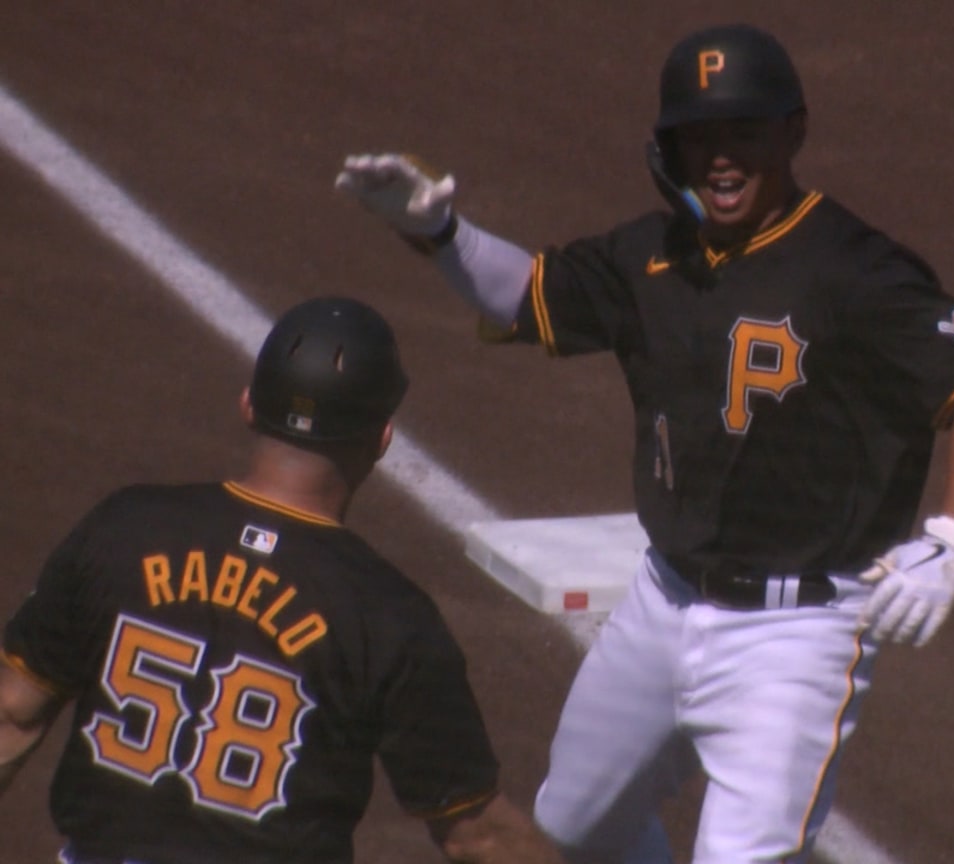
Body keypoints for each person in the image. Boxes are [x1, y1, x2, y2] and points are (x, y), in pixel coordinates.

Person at [334, 22, 954, 864]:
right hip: (662, 604)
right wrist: (438, 232)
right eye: (699, 137)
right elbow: (529, 295)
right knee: (575, 832)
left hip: (797, 633)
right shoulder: (652, 256)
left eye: (742, 133)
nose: (719, 158)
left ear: (792, 133)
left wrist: (951, 540)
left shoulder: (857, 269)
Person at [0, 297, 557, 864]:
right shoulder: (388, 614)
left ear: (248, 405)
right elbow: (477, 836)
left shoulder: (124, 527)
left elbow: (14, 712)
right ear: (383, 438)